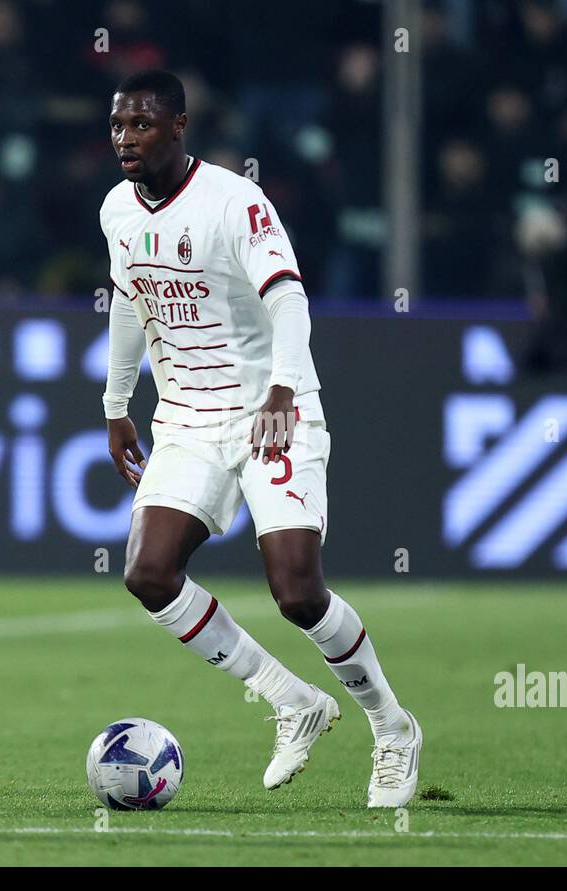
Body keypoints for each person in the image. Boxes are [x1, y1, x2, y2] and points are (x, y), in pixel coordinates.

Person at [98, 70, 421, 807]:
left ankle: (393, 728)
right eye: (117, 125)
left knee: (297, 592)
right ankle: (291, 699)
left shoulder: (235, 201)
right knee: (148, 574)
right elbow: (127, 302)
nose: (126, 138)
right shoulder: (117, 210)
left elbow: (289, 298)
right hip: (184, 417)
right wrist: (117, 401)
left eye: (141, 125)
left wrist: (283, 384)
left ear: (178, 126)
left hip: (271, 411)